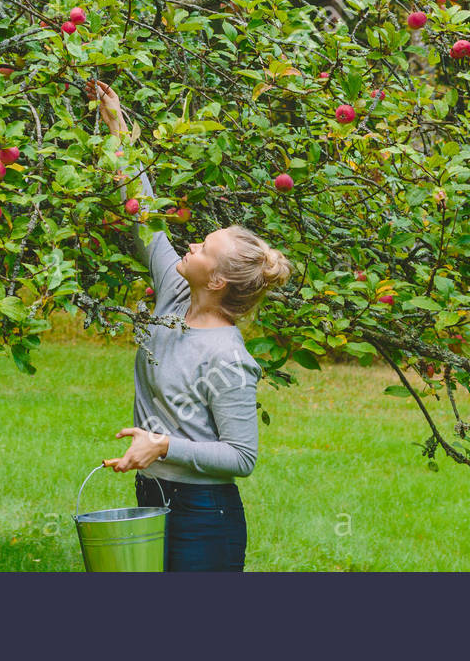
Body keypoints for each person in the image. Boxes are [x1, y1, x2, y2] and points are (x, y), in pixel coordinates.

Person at [85, 79, 292, 572]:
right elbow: (148, 215)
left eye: (203, 247)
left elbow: (242, 456)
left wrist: (164, 445)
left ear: (218, 280)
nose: (191, 246)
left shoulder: (227, 357)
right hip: (152, 494)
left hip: (203, 515)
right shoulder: (175, 294)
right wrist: (116, 126)